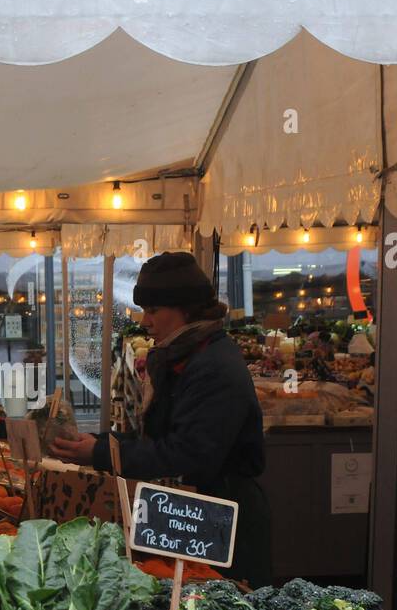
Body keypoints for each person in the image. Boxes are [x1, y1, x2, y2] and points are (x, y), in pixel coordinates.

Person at [50, 252, 272, 589]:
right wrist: (102, 443)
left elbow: (185, 454)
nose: (145, 321)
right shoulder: (188, 355)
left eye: (153, 311)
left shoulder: (213, 367)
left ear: (185, 309)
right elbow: (161, 439)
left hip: (223, 523)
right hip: (194, 512)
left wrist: (101, 454)